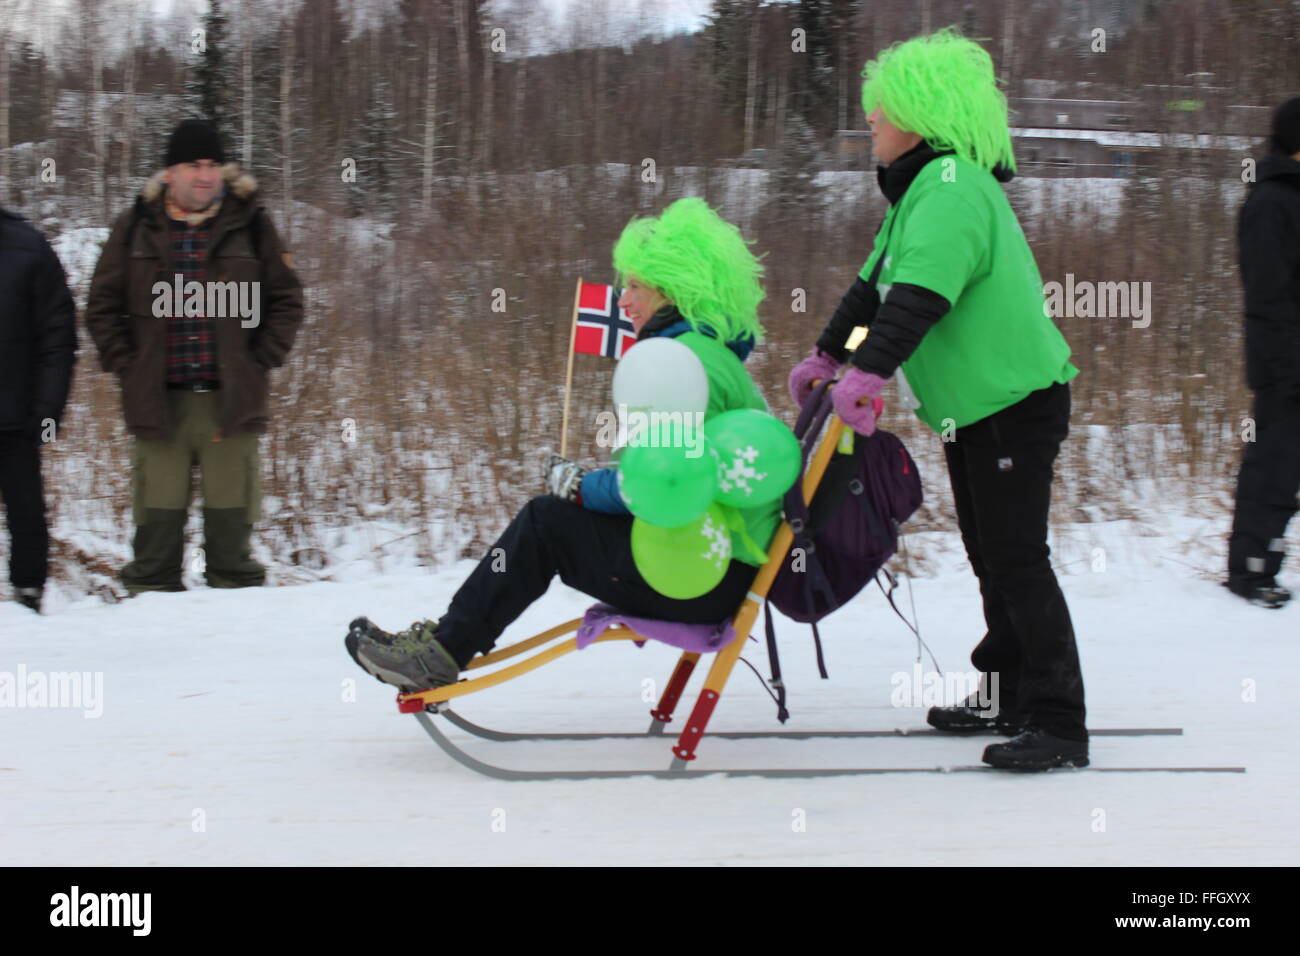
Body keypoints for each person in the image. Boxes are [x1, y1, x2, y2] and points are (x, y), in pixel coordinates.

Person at [787, 29, 1087, 771]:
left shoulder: (952, 189)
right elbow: (875, 287)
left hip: (1014, 402)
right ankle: (1006, 694)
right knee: (993, 558)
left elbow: (920, 298)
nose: (870, 125)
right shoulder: (921, 192)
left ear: (922, 115)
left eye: (880, 113)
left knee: (1017, 560)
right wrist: (830, 353)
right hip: (979, 408)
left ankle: (1058, 722)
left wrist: (867, 376)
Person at [346, 198, 779, 691]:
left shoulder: (680, 363)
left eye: (635, 286)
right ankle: (448, 640)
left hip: (700, 578)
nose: (623, 299)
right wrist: (586, 486)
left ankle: (443, 652)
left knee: (543, 524)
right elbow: (672, 478)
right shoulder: (711, 357)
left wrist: (578, 486)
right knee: (550, 518)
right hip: (711, 567)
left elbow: (658, 487)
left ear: (673, 289)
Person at [85, 119, 303, 594]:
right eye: (193, 166)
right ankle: (154, 648)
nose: (205, 176)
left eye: (212, 166)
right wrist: (127, 364)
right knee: (153, 556)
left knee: (233, 557)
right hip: (159, 405)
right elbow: (101, 305)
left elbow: (287, 299)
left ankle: (231, 655)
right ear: (169, 173)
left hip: (231, 404)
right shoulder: (136, 227)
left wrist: (261, 357)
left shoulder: (251, 223)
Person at [1226, 96, 1300, 610]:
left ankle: (1261, 563)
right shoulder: (1271, 202)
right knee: (1274, 469)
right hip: (1286, 365)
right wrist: (1289, 366)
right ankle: (1251, 572)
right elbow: (1268, 297)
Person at [0, 207, 78, 614]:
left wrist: (47, 412)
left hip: (16, 418)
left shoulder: (28, 246)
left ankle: (28, 599)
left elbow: (58, 338)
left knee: (27, 513)